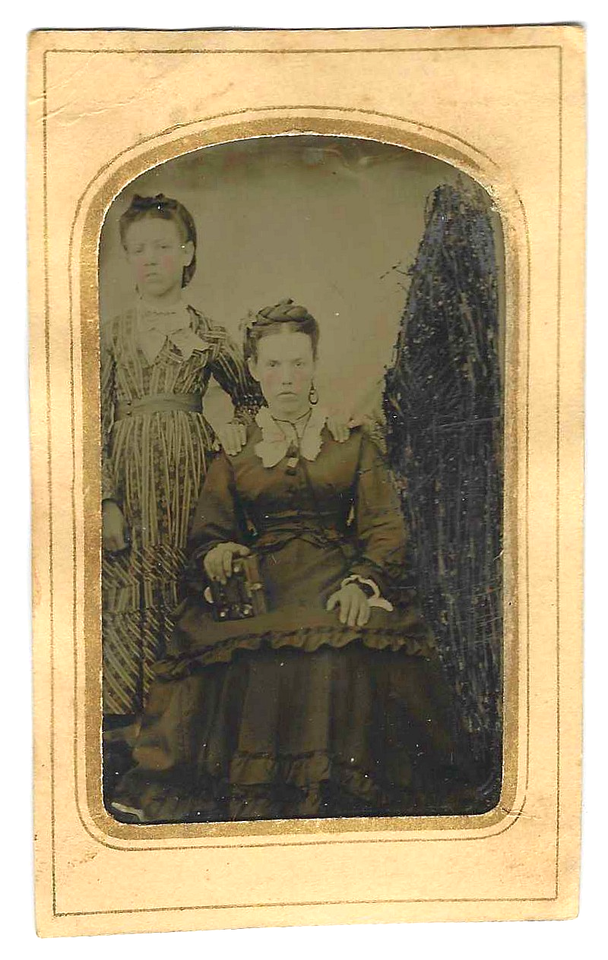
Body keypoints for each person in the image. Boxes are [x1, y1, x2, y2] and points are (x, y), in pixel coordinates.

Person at [110, 299, 477, 823]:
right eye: (274, 365)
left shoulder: (348, 439)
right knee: (240, 649)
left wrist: (363, 581)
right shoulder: (236, 447)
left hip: (336, 572)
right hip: (264, 580)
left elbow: (384, 526)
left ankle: (334, 786)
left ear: (314, 365)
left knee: (343, 639)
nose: (287, 378)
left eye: (299, 363)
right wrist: (219, 553)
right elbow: (209, 529)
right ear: (254, 370)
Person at [101, 193, 262, 721]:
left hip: (193, 473)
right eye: (139, 249)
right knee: (131, 583)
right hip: (129, 477)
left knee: (188, 578)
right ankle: (133, 725)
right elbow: (91, 423)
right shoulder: (111, 335)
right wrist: (105, 500)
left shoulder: (208, 331)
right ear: (128, 258)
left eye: (164, 247)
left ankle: (190, 723)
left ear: (187, 253)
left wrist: (237, 437)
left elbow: (251, 399)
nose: (151, 259)